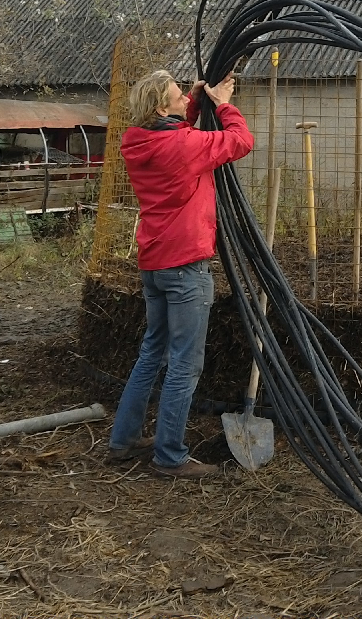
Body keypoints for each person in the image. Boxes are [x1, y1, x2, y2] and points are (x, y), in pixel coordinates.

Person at [108, 69, 254, 478]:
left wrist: (192, 103)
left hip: (154, 263)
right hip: (185, 266)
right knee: (185, 365)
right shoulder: (182, 146)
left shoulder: (137, 140)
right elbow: (241, 141)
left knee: (151, 353)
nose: (184, 99)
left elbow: (179, 133)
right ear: (161, 108)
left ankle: (123, 441)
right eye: (177, 96)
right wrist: (223, 106)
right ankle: (170, 457)